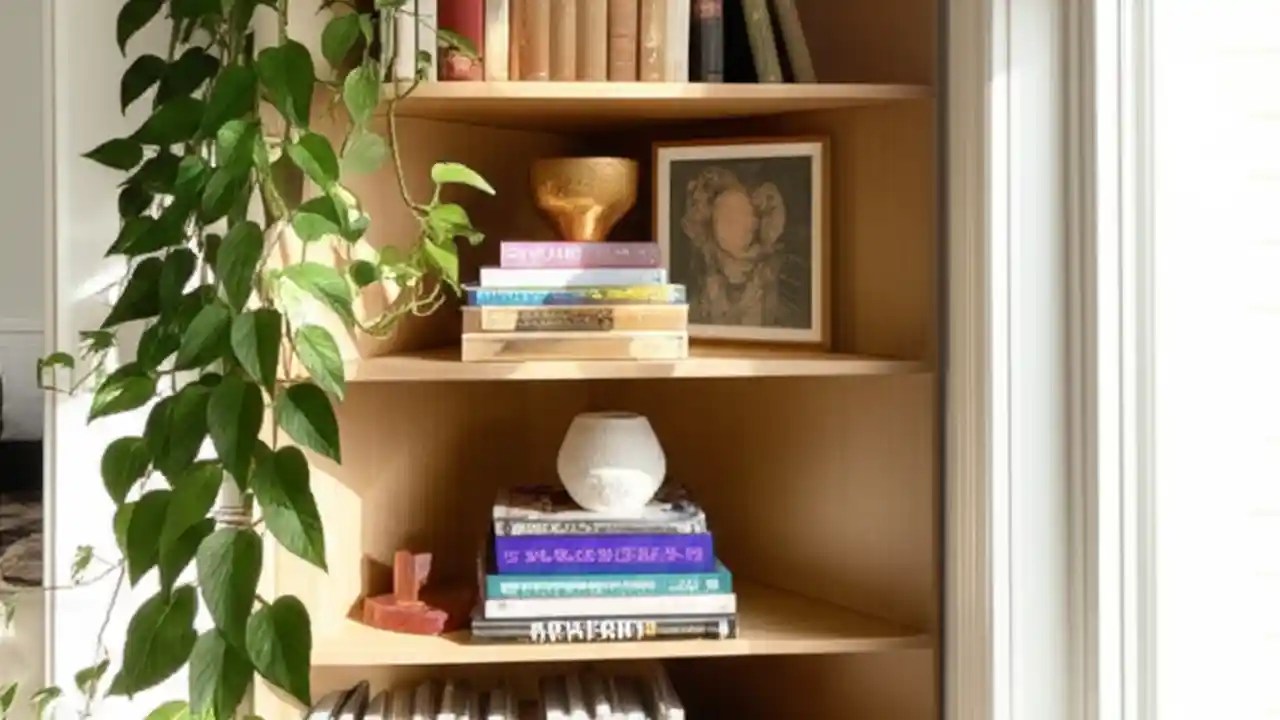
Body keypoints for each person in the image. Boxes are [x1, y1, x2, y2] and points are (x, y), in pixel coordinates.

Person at [680, 166, 799, 328]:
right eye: (727, 216)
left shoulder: (777, 283)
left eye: (742, 215)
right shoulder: (702, 289)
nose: (740, 224)